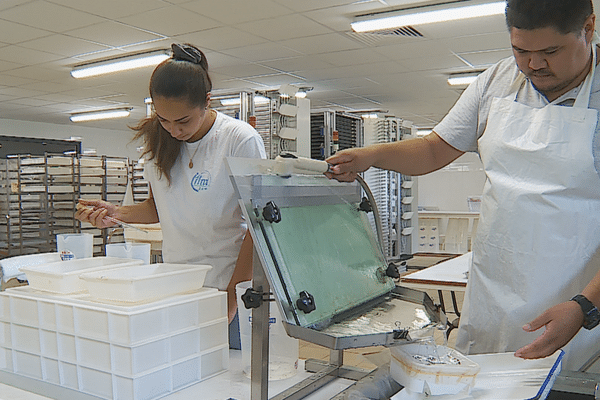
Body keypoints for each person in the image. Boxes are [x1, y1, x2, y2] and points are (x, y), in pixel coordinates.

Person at [326, 0, 600, 371]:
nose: (534, 64)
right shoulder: (496, 82)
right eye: (521, 50)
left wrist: (585, 307)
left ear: (588, 28)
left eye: (550, 51)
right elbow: (433, 149)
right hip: (496, 292)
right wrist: (372, 156)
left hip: (581, 298)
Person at [75, 43, 267, 348]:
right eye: (163, 120)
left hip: (230, 282)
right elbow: (157, 206)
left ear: (207, 101)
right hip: (179, 284)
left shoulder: (239, 140)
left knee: (234, 377)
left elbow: (259, 228)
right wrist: (116, 213)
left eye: (183, 121)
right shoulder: (158, 143)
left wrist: (233, 297)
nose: (174, 131)